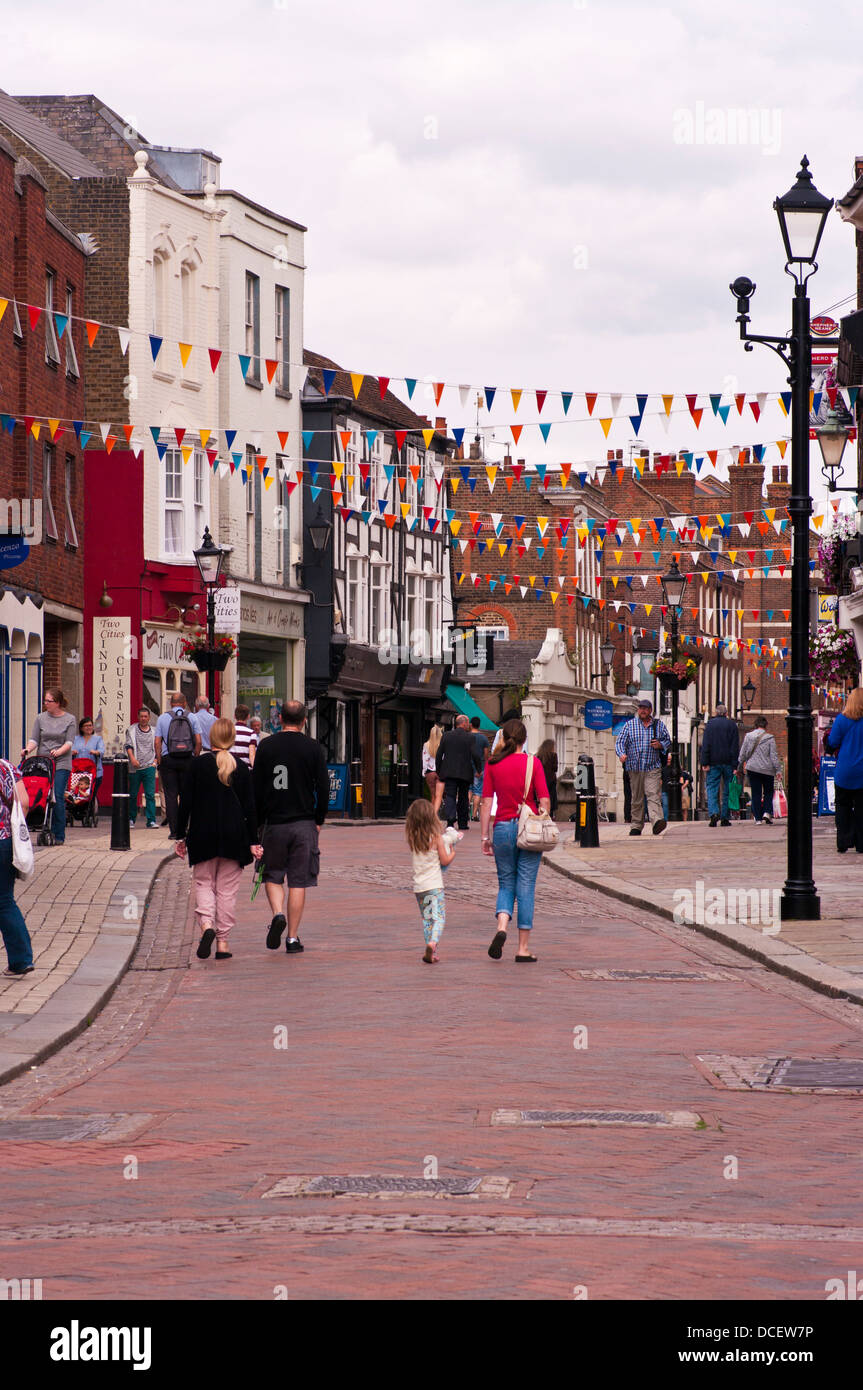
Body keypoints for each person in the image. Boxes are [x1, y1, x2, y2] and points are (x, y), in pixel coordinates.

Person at [175, 718, 263, 960]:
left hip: (202, 835)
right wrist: (254, 841)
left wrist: (180, 835)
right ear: (232, 739)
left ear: (211, 737)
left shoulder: (197, 765)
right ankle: (223, 943)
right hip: (235, 837)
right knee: (226, 892)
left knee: (203, 883)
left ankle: (207, 927)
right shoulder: (242, 768)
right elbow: (251, 808)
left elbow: (186, 805)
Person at [252, 700, 329, 955]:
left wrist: (257, 823)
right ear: (304, 721)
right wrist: (319, 819)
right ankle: (293, 939)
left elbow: (257, 788)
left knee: (272, 875)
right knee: (299, 881)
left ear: (280, 719)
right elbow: (324, 788)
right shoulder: (312, 748)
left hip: (274, 822)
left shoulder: (266, 746)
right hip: (304, 822)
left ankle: (278, 913)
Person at [480, 718, 550, 963]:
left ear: (503, 738)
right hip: (527, 829)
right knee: (526, 886)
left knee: (506, 883)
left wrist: (484, 836)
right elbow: (544, 800)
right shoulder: (534, 763)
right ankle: (522, 948)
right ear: (523, 739)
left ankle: (501, 927)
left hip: (501, 828)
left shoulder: (493, 764)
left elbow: (486, 802)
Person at [405, 799, 458, 964]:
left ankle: (431, 951)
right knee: (439, 918)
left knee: (427, 919)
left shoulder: (413, 839)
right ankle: (432, 943)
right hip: (434, 886)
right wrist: (453, 854)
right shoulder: (436, 838)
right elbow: (444, 861)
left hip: (419, 888)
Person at [22, 687, 77, 844]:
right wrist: (27, 749)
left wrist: (59, 751)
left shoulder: (70, 719)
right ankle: (40, 824)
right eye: (45, 700)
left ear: (57, 703)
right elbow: (35, 739)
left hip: (61, 761)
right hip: (44, 762)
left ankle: (58, 834)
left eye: (49, 701)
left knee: (57, 795)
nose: (46, 703)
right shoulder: (40, 718)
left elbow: (69, 742)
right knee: (41, 794)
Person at [614, 699, 670, 837]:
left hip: (653, 767)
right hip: (634, 767)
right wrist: (621, 754)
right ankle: (636, 825)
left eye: (645, 708)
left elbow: (668, 740)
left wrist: (660, 745)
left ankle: (657, 821)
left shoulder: (658, 725)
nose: (642, 710)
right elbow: (620, 742)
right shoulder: (629, 726)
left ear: (650, 710)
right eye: (640, 708)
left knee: (652, 795)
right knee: (637, 798)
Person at [0, 755, 34, 978]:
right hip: (4, 841)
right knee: (4, 901)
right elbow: (24, 802)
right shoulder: (6, 767)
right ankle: (21, 960)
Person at [154, 694, 202, 839]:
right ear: (185, 702)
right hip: (188, 759)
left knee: (170, 796)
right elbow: (198, 741)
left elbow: (157, 742)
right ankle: (185, 829)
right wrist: (195, 757)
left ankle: (174, 832)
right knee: (187, 795)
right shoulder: (192, 717)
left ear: (171, 703)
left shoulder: (162, 718)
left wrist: (160, 759)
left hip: (168, 759)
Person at [825, 687, 863, 853]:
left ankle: (843, 841)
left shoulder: (841, 720)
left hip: (845, 771)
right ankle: (861, 843)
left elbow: (832, 742)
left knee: (842, 806)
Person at [434, 714, 482, 831]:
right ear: (464, 723)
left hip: (449, 771)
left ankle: (450, 820)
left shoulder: (446, 736)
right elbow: (476, 755)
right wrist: (479, 769)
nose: (469, 725)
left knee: (450, 795)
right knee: (463, 797)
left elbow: (439, 754)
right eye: (468, 723)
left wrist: (439, 770)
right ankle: (462, 822)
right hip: (465, 772)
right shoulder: (470, 737)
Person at [737, 715, 783, 825]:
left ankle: (757, 818)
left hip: (752, 768)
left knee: (756, 792)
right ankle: (767, 813)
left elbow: (743, 753)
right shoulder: (770, 738)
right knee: (768, 792)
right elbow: (774, 756)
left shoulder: (748, 736)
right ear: (765, 726)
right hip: (767, 769)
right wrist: (778, 770)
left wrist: (739, 765)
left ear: (756, 725)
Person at [701, 703, 741, 827]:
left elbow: (706, 744)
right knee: (727, 790)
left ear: (716, 713)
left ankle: (713, 813)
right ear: (726, 713)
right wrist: (735, 766)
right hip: (728, 762)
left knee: (712, 788)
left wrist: (704, 762)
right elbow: (735, 747)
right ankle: (725, 817)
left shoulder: (710, 725)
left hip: (713, 762)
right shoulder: (732, 725)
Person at [126, 707, 158, 828]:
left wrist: (155, 762)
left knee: (150, 795)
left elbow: (158, 746)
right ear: (138, 717)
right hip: (135, 768)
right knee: (133, 794)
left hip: (149, 766)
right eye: (141, 716)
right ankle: (131, 819)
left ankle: (151, 820)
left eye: (146, 716)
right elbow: (128, 745)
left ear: (149, 717)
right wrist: (132, 759)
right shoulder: (131, 729)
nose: (143, 718)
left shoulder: (154, 731)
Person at [72, 717, 105, 801]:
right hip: (78, 772)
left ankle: (91, 812)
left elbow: (101, 751)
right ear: (81, 728)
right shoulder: (75, 739)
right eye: (86, 726)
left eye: (90, 725)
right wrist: (72, 752)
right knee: (77, 793)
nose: (88, 727)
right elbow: (71, 749)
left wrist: (96, 752)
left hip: (94, 772)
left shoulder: (98, 739)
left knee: (91, 795)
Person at [469, 716, 491, 820]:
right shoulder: (483, 738)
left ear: (470, 724)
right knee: (477, 791)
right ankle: (474, 815)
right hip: (480, 768)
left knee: (468, 790)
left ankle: (465, 812)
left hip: (467, 767)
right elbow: (486, 754)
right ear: (479, 725)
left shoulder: (467, 736)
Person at [231, 704, 258, 768]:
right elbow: (252, 755)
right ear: (248, 716)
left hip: (231, 768)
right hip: (246, 770)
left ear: (234, 716)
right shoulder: (251, 733)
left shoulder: (229, 731)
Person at [536, 739, 558, 819]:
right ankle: (550, 815)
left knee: (542, 797)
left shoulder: (539, 755)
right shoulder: (553, 755)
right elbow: (555, 768)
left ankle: (541, 812)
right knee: (551, 798)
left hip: (542, 779)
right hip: (551, 780)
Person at [422, 724, 443, 800]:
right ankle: (437, 810)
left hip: (430, 772)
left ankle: (433, 811)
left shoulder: (426, 745)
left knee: (432, 794)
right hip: (440, 772)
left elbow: (425, 760)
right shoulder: (442, 745)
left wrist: (424, 771)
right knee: (439, 795)